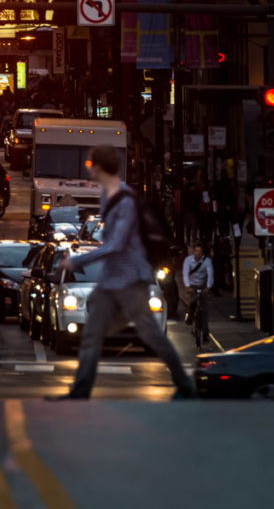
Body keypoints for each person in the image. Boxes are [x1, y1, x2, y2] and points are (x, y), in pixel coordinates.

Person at [49, 145, 196, 400]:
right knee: (92, 333)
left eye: (89, 164)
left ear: (99, 167)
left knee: (151, 334)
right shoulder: (107, 196)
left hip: (130, 280)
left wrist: (78, 260)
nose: (88, 168)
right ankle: (80, 390)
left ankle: (185, 385)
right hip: (111, 280)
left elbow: (116, 245)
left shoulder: (124, 199)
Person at [180, 242, 214, 342]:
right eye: (196, 251)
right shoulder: (188, 261)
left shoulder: (206, 261)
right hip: (192, 285)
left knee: (204, 310)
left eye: (200, 251)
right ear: (193, 251)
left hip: (203, 285)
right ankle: (190, 315)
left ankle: (205, 332)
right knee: (191, 302)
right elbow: (185, 273)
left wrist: (208, 287)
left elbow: (210, 274)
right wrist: (187, 286)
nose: (198, 253)